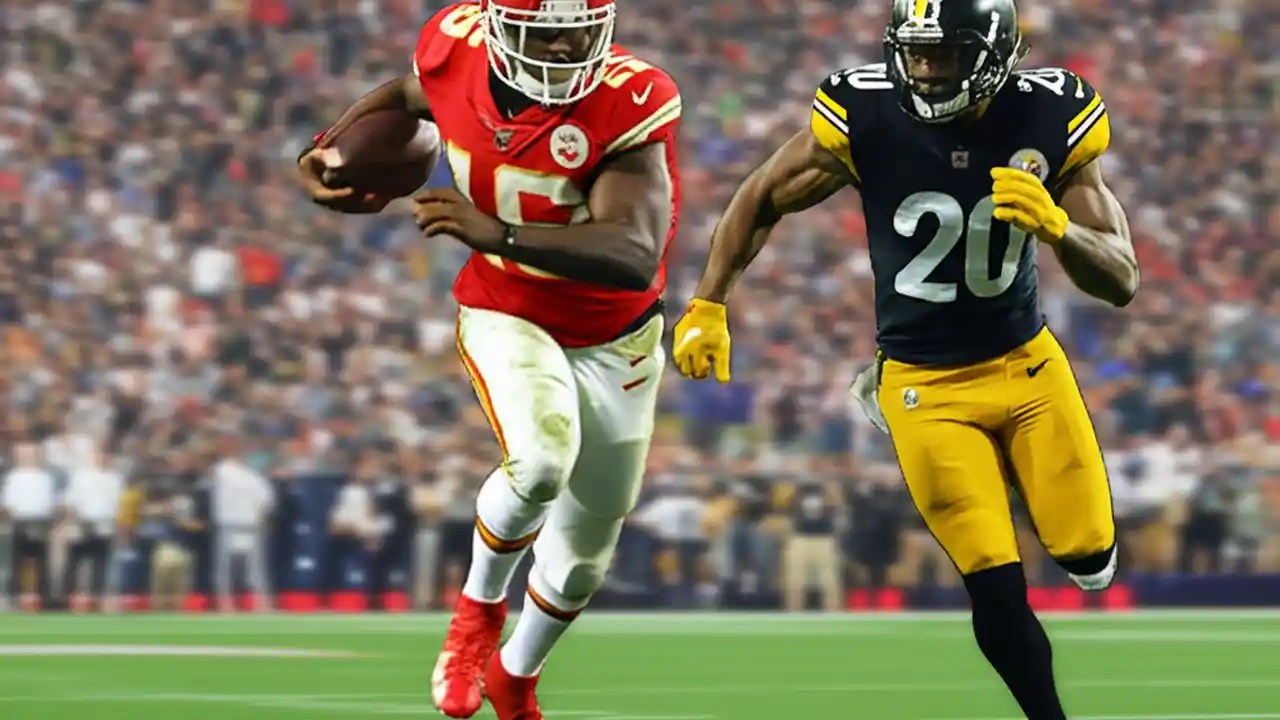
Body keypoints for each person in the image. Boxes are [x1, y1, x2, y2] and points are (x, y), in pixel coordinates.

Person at [671, 0, 1137, 717]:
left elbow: (1122, 281)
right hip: (924, 385)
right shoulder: (865, 111)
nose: (925, 70)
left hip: (1028, 368)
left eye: (944, 54)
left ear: (993, 53)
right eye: (916, 53)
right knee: (994, 580)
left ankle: (1053, 515)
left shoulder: (1052, 116)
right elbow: (760, 194)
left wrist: (1060, 227)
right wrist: (708, 302)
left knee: (1089, 557)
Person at [297, 1, 681, 717]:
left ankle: (516, 677)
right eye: (548, 32)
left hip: (617, 335)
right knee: (540, 462)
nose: (567, 48)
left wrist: (496, 231)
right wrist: (325, 146)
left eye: (582, 30)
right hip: (510, 312)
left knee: (588, 548)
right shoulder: (454, 46)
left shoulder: (634, 97)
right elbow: (411, 93)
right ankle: (475, 616)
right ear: (498, 30)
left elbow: (632, 254)